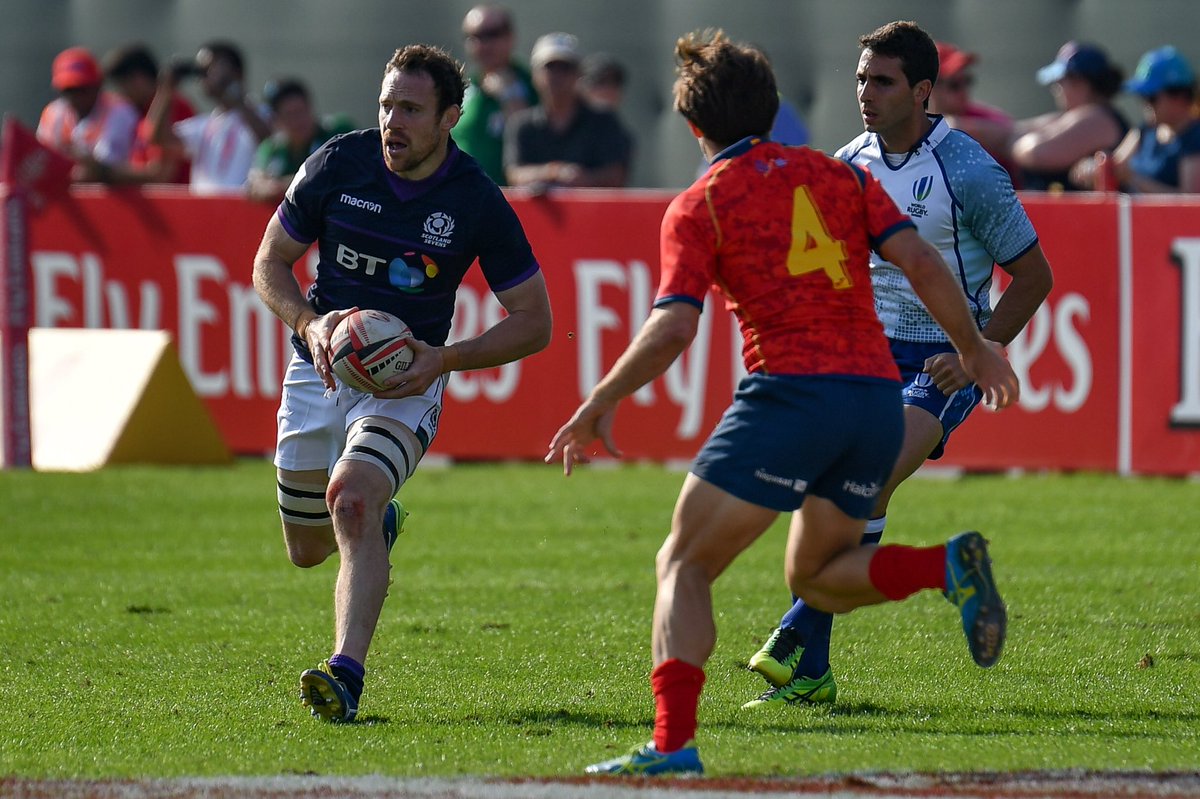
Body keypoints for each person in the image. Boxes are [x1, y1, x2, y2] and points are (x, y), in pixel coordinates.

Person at [546, 28, 1020, 775]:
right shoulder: (842, 178)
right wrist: (976, 346)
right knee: (816, 575)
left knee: (684, 562)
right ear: (770, 111)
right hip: (872, 399)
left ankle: (672, 746)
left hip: (792, 391)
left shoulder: (702, 200)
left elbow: (673, 325)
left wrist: (599, 400)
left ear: (695, 127)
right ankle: (944, 567)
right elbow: (924, 261)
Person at [743, 19, 1052, 710]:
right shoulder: (849, 160)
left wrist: (976, 354)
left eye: (881, 81)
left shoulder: (966, 168)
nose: (865, 92)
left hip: (940, 362)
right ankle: (814, 669)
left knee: (866, 480)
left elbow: (1033, 276)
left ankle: (794, 635)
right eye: (860, 79)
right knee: (842, 499)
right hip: (864, 357)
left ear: (920, 89)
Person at [251, 44, 551, 724]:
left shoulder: (475, 198)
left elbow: (535, 322)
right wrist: (310, 322)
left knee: (349, 498)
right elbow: (269, 263)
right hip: (317, 367)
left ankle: (346, 674)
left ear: (450, 117)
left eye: (411, 109)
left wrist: (441, 360)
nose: (393, 121)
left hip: (405, 382)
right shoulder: (337, 163)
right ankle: (378, 524)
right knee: (306, 549)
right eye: (387, 105)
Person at [504, 32, 633, 189]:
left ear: (578, 74)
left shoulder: (604, 121)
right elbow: (514, 175)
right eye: (549, 68)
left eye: (565, 68)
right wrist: (554, 172)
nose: (556, 76)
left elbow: (616, 175)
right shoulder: (522, 125)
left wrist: (583, 179)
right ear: (535, 75)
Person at [148, 40, 272, 194]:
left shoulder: (264, 114)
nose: (203, 77)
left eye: (209, 69)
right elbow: (158, 138)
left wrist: (235, 93)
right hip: (205, 211)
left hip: (244, 211)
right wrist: (166, 90)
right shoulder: (205, 124)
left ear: (235, 72)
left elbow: (268, 140)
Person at [1072, 46, 1200, 193]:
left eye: (1151, 97)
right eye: (1142, 97)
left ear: (1180, 97)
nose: (1145, 105)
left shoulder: (1195, 139)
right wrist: (1094, 168)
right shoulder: (1144, 131)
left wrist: (1133, 178)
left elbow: (1189, 203)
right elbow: (1116, 165)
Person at [1010, 41, 1128, 191]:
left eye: (1060, 82)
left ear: (1080, 83)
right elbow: (1011, 130)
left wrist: (1012, 144)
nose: (1056, 89)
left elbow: (1036, 153)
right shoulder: (1071, 117)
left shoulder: (1097, 118)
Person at [455, 4, 536, 185]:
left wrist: (507, 96)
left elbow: (535, 140)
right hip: (462, 197)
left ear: (510, 37)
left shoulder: (532, 84)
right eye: (474, 36)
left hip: (507, 200)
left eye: (492, 34)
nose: (483, 45)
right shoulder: (463, 87)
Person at [93, 42, 195, 185]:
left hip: (175, 204)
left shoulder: (173, 107)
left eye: (122, 85)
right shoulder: (136, 112)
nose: (121, 94)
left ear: (138, 79)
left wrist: (103, 172)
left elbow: (161, 175)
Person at [36, 46, 139, 182]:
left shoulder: (120, 112)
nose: (76, 96)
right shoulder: (53, 113)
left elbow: (104, 169)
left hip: (117, 196)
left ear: (98, 85)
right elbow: (40, 160)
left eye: (83, 89)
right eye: (69, 90)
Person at [246, 78, 355, 203]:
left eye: (301, 110)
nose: (298, 120)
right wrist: (266, 186)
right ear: (276, 120)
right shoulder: (272, 148)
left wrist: (281, 186)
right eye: (289, 115)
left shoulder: (336, 132)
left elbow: (333, 176)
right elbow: (256, 182)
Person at [928, 41, 1021, 187]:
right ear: (929, 89)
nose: (964, 90)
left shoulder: (985, 116)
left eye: (967, 81)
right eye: (955, 85)